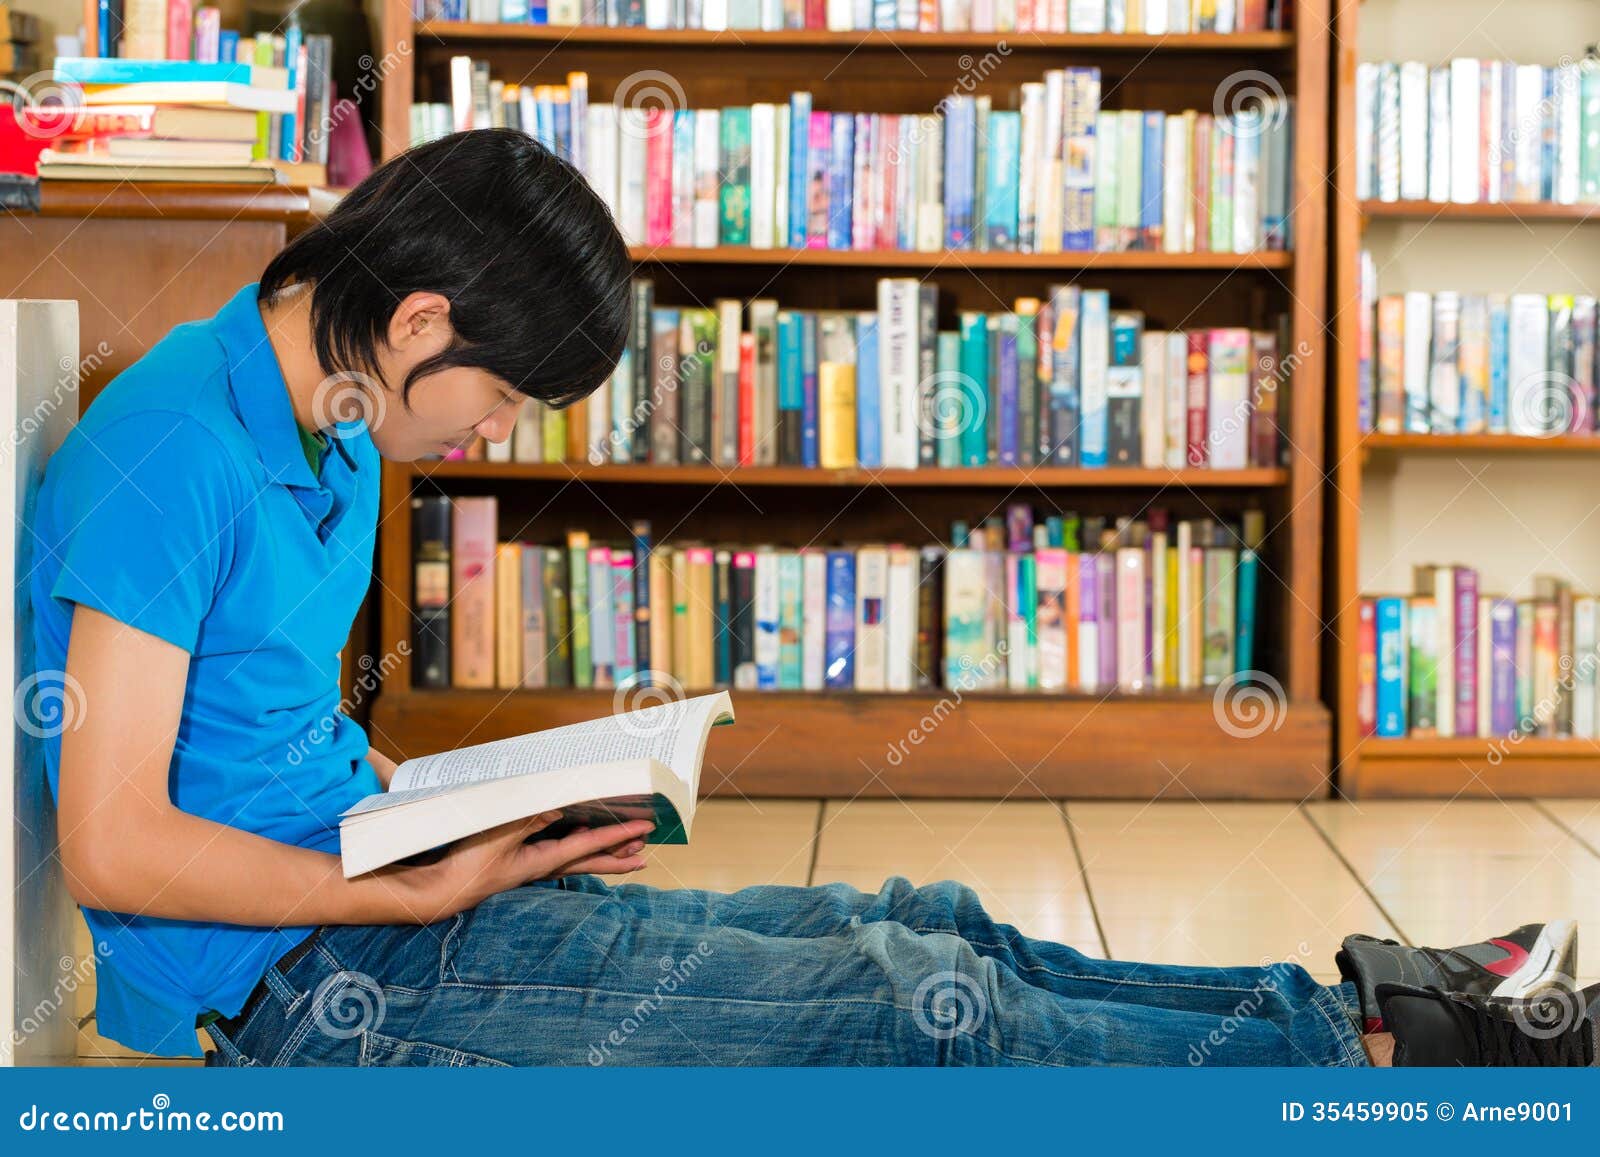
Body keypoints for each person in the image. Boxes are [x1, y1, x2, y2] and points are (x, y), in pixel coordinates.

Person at [30, 130, 1599, 1069]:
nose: (494, 436)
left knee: (920, 922)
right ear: (423, 316)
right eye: (504, 397)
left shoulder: (345, 404)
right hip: (305, 1001)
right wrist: (406, 891)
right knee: (919, 1010)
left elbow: (273, 736)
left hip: (378, 898)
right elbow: (116, 842)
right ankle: (1386, 1057)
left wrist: (460, 809)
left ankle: (1363, 1004)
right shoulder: (172, 451)